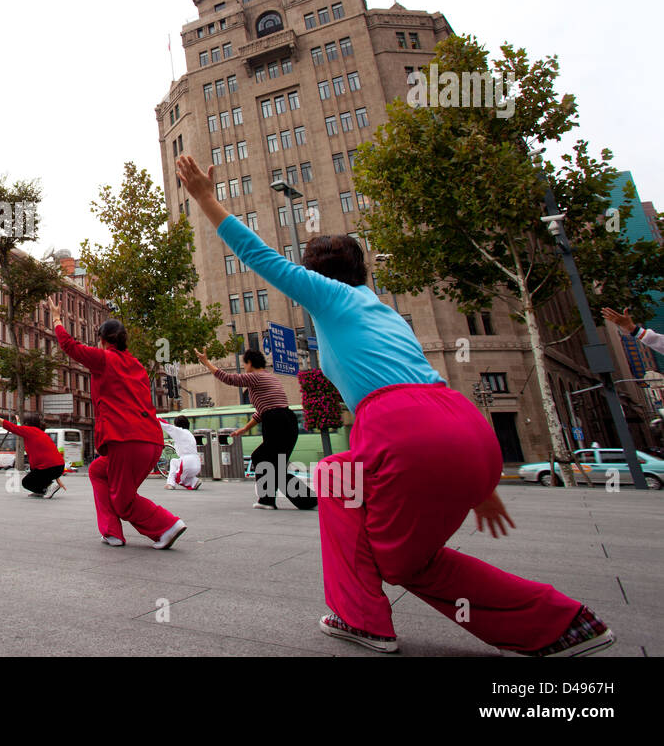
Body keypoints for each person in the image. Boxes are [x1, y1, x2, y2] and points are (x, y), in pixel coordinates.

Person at [175, 152, 614, 656]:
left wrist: (208, 201)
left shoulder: (330, 297)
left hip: (405, 430)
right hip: (463, 429)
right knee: (338, 478)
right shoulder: (379, 309)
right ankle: (365, 615)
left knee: (406, 564)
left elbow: (261, 258)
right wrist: (476, 482)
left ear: (315, 276)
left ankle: (554, 621)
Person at [51, 302, 187, 549]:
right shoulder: (137, 366)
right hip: (152, 441)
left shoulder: (104, 359)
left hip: (127, 440)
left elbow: (70, 346)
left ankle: (167, 525)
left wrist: (58, 320)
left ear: (102, 340)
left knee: (123, 502)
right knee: (97, 471)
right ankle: (111, 532)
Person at [194, 347, 304, 509]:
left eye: (245, 364)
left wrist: (206, 363)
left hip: (275, 421)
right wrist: (244, 429)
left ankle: (269, 500)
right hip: (285, 419)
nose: (244, 368)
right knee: (274, 464)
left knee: (261, 457)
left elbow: (229, 379)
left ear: (250, 363)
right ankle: (301, 500)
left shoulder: (255, 377)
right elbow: (262, 411)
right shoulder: (269, 378)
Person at [0, 406, 66, 498]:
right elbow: (19, 429)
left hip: (49, 468)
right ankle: (42, 490)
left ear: (27, 423)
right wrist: (57, 478)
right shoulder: (38, 432)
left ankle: (49, 487)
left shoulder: (30, 431)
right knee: (31, 478)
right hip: (57, 467)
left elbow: (12, 427)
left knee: (26, 482)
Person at [157, 415, 202, 491]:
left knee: (178, 477)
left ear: (177, 425)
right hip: (197, 463)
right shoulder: (190, 434)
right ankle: (193, 481)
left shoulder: (179, 432)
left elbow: (166, 425)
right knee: (174, 461)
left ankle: (173, 484)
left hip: (187, 462)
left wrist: (152, 417)